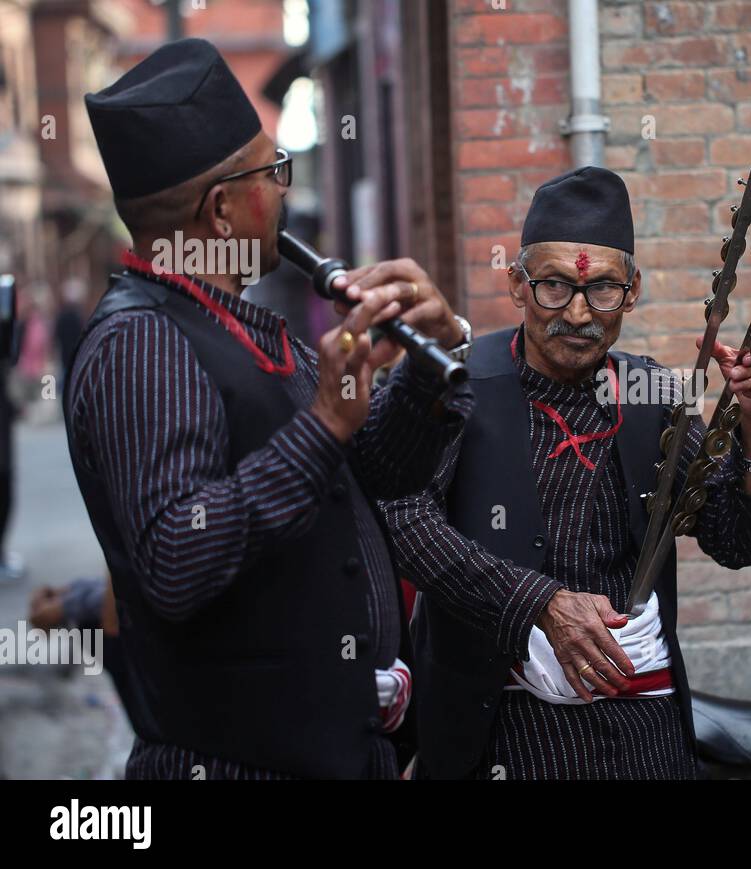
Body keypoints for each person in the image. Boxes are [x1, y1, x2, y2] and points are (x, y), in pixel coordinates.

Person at [66, 38, 469, 779]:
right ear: (221, 211)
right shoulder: (140, 344)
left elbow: (375, 470)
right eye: (271, 172)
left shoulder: (243, 325)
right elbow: (176, 559)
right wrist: (322, 425)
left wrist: (428, 363)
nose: (283, 191)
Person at [383, 166, 751, 779]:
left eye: (603, 289)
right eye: (554, 286)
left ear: (632, 293)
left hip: (643, 736)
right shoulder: (459, 382)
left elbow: (739, 540)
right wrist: (538, 602)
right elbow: (402, 517)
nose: (578, 313)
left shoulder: (651, 391)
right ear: (518, 286)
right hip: (502, 734)